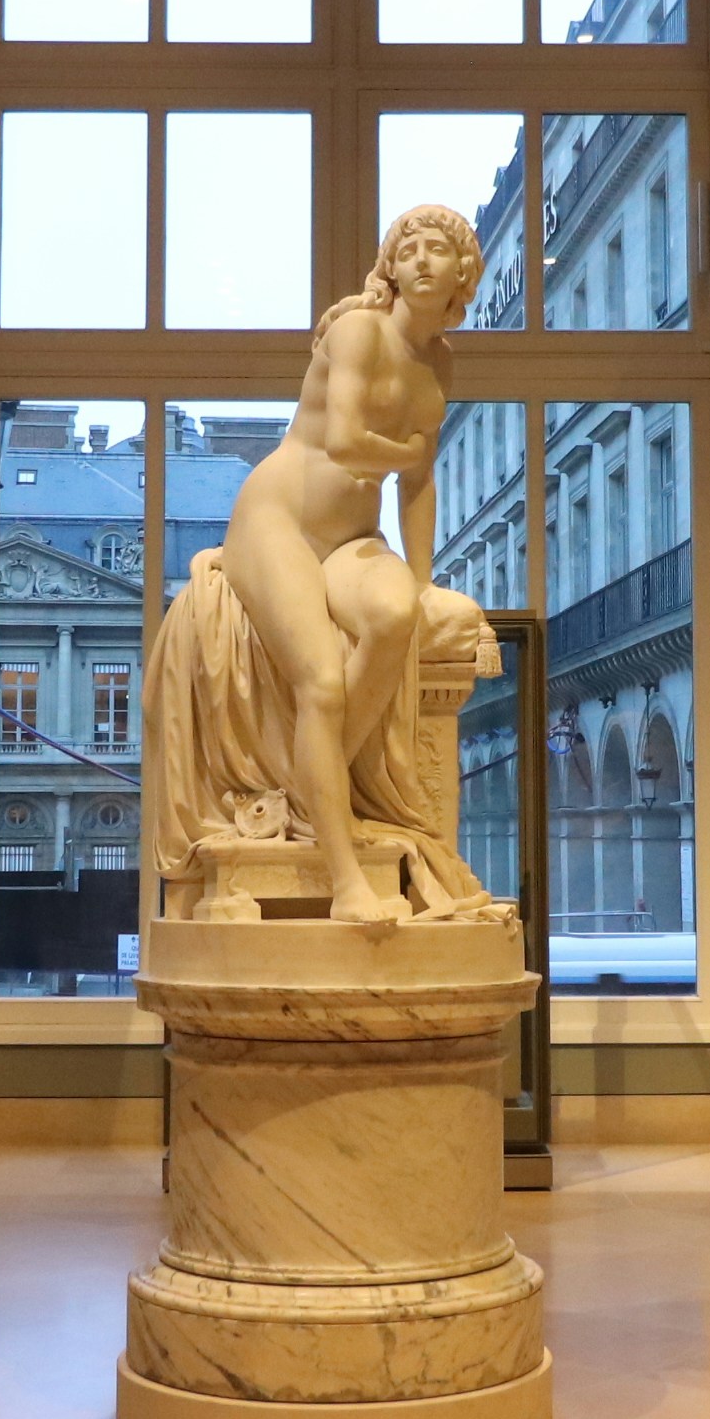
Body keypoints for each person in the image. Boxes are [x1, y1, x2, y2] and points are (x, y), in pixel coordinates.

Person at [148, 204, 501, 923]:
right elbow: (345, 441)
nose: (423, 260)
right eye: (410, 248)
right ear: (391, 267)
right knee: (319, 681)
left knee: (397, 613)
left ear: (464, 273)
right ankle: (345, 882)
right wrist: (405, 455)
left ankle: (315, 789)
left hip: (350, 538)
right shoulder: (356, 332)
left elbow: (422, 486)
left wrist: (426, 580)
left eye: (440, 250)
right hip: (277, 520)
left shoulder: (441, 362)